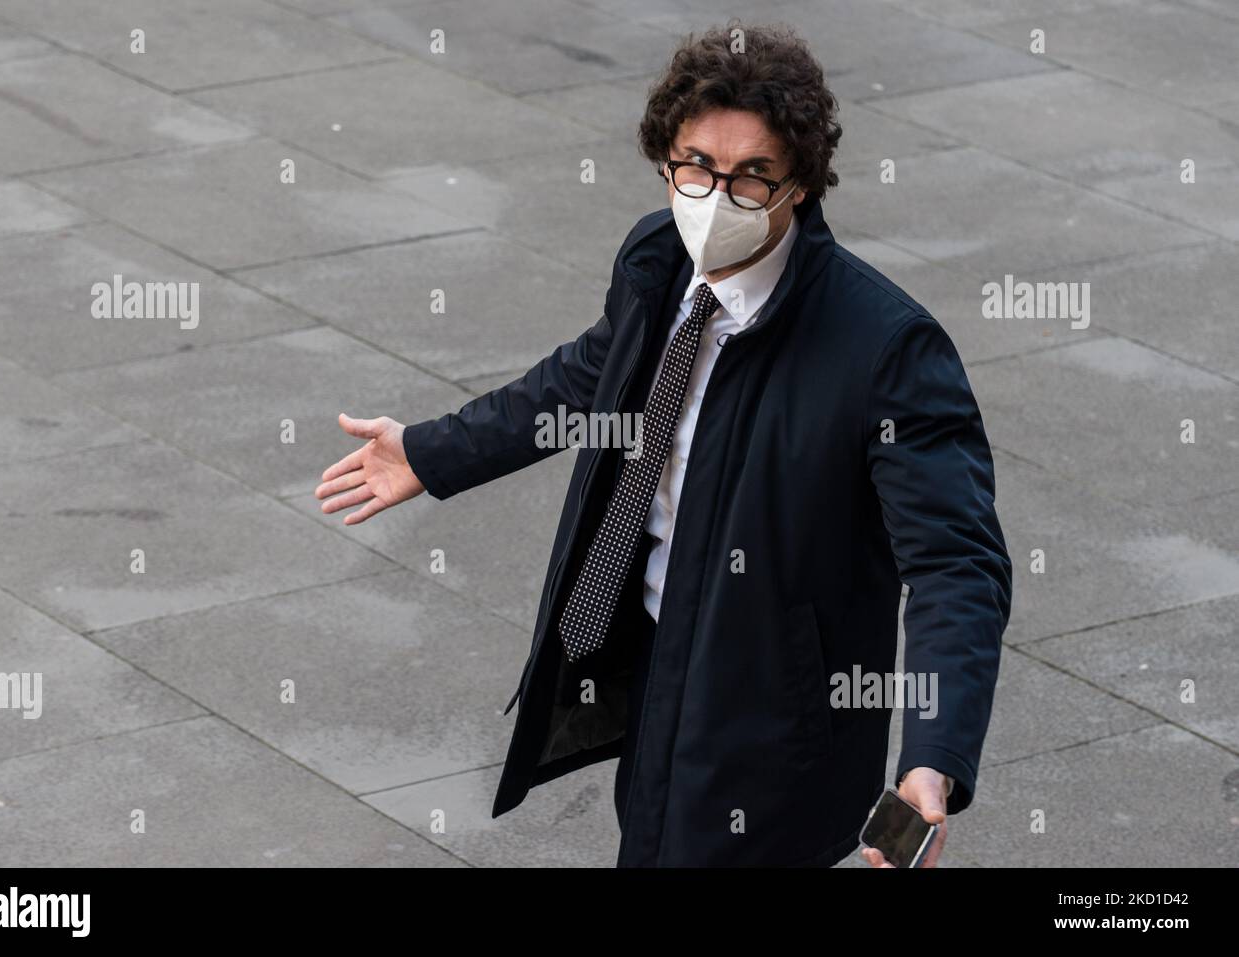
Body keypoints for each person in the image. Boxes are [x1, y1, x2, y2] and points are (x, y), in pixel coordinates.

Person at [315, 22, 1012, 868]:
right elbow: (584, 381)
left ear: (801, 185)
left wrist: (932, 761)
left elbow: (955, 566)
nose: (714, 197)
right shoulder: (659, 259)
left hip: (770, 712)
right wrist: (431, 452)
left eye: (752, 177)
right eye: (695, 166)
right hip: (648, 657)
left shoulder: (886, 350)